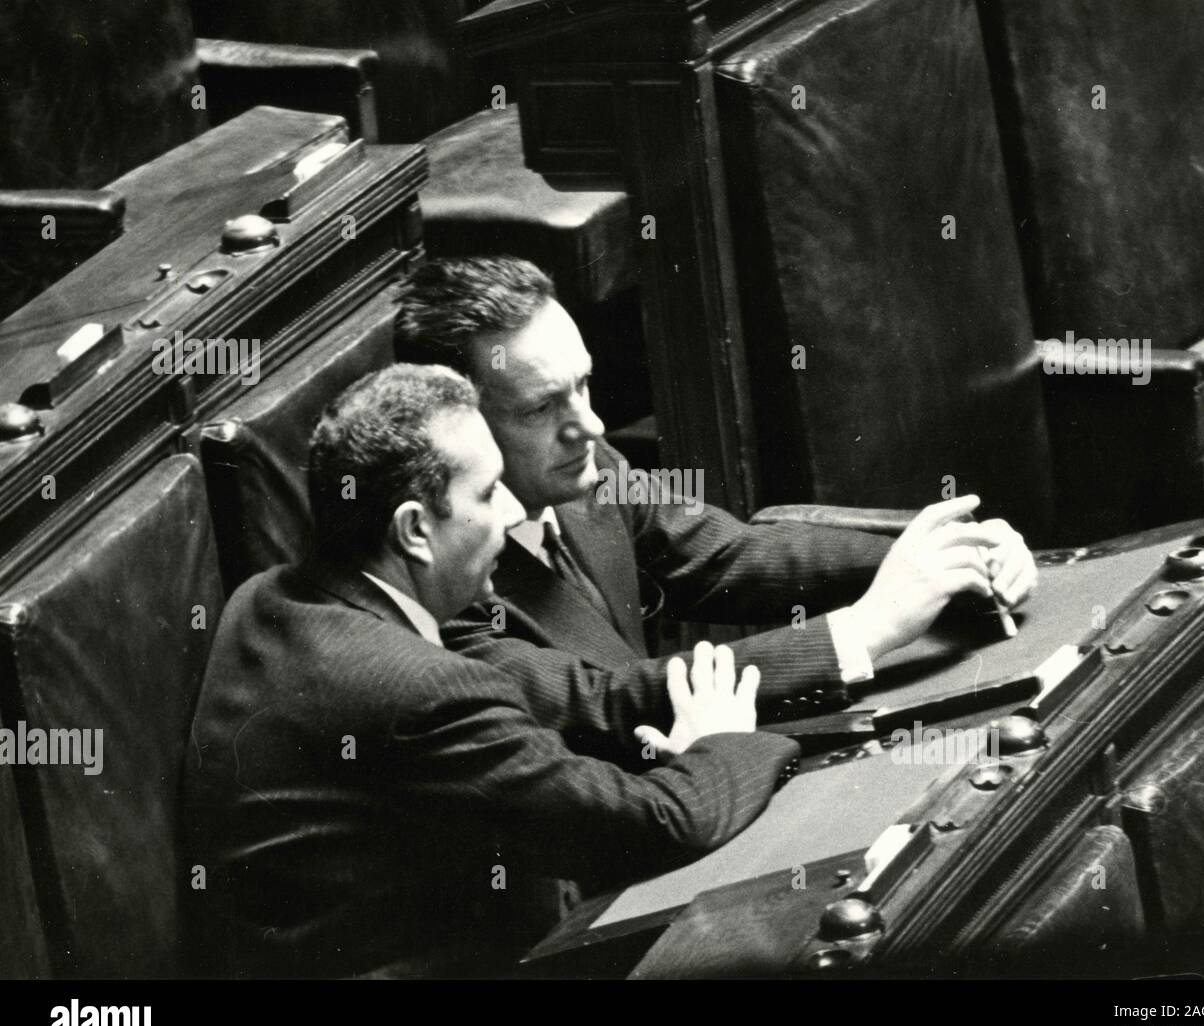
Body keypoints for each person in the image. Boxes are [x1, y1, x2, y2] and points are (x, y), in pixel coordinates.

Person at [180, 363, 798, 979]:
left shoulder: (269, 599)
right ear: (415, 529)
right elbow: (662, 826)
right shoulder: (418, 690)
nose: (509, 514)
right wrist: (721, 739)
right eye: (486, 492)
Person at [393, 256, 1039, 721]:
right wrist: (867, 627)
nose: (588, 424)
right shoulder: (446, 588)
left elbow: (732, 557)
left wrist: (947, 552)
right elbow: (613, 701)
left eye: (583, 386)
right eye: (542, 410)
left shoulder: (584, 468)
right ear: (459, 429)